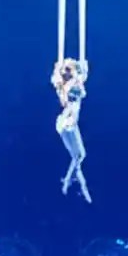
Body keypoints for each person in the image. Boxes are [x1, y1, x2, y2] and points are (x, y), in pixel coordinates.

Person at [51, 58, 91, 203]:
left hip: (64, 123)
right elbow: (81, 92)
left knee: (77, 156)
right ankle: (69, 181)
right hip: (68, 123)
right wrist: (82, 74)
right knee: (80, 155)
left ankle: (75, 184)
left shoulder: (66, 86)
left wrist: (81, 74)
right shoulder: (71, 87)